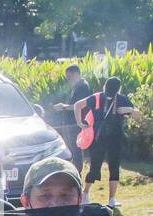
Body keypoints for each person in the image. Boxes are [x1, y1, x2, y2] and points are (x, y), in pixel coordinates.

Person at [77, 76, 139, 207]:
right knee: (96, 168)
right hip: (100, 138)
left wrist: (129, 110)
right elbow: (78, 105)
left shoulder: (119, 99)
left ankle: (109, 199)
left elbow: (138, 115)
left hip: (113, 138)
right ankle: (87, 194)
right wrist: (79, 122)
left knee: (112, 168)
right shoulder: (100, 97)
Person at [52, 64, 91, 165]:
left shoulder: (82, 87)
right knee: (71, 147)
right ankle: (74, 165)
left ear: (76, 73)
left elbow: (79, 106)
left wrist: (63, 106)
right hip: (70, 122)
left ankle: (78, 168)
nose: (68, 79)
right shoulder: (76, 86)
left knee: (76, 147)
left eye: (69, 76)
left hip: (75, 122)